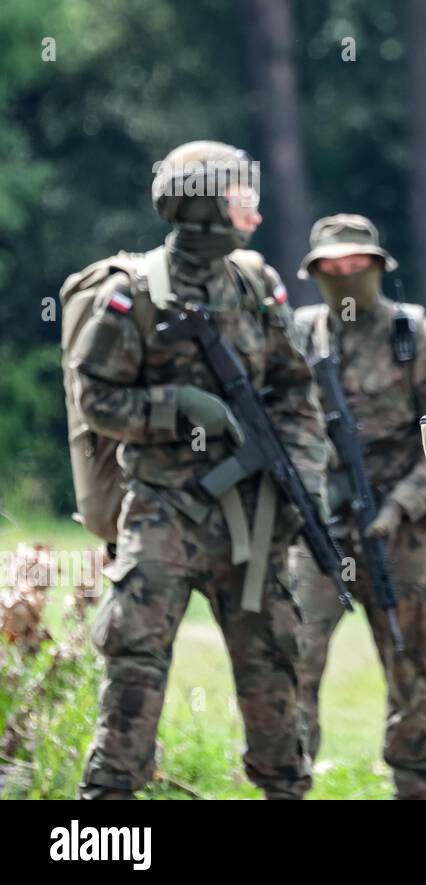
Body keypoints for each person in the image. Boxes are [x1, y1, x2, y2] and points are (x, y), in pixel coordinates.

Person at [74, 141, 326, 799]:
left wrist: (303, 483)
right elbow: (96, 399)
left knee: (273, 658)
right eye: (242, 199)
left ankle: (285, 790)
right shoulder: (134, 294)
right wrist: (174, 407)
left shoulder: (256, 284)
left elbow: (296, 393)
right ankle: (108, 807)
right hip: (163, 509)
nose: (255, 214)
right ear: (203, 205)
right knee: (134, 661)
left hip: (252, 512)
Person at [288, 214, 426, 800]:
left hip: (399, 531)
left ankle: (415, 783)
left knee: (407, 659)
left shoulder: (411, 335)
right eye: (332, 269)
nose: (345, 277)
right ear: (315, 274)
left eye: (356, 266)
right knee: (295, 655)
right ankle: (285, 780)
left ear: (377, 267)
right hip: (318, 530)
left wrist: (400, 505)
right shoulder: (301, 335)